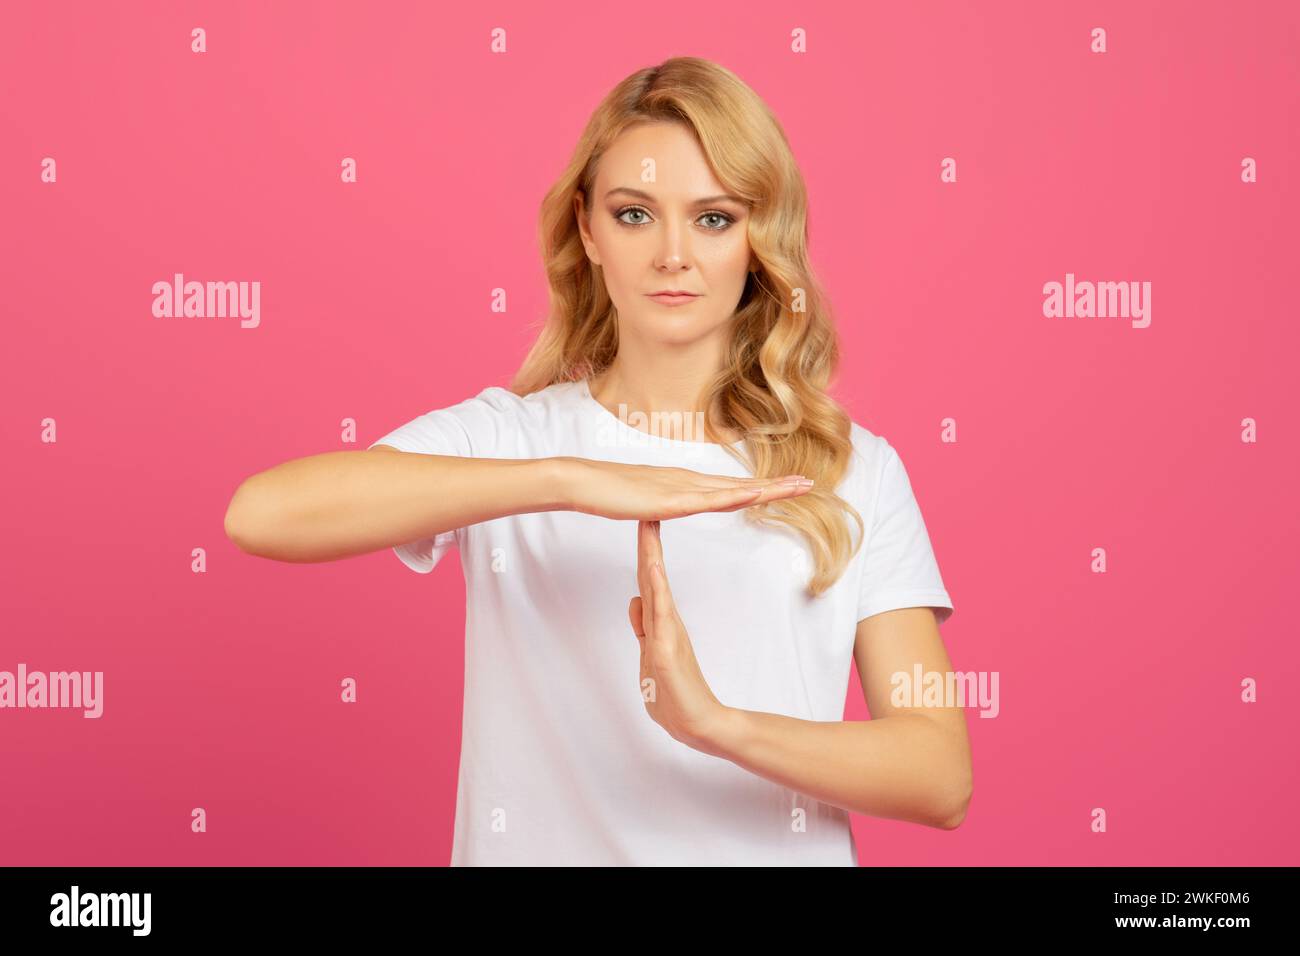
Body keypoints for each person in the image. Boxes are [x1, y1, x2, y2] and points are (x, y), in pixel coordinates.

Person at [224, 56, 970, 866]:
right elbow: (260, 515)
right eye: (635, 214)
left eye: (714, 218)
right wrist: (570, 479)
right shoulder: (510, 441)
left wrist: (715, 723)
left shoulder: (852, 470)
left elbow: (939, 775)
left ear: (759, 237)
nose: (673, 255)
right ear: (587, 229)